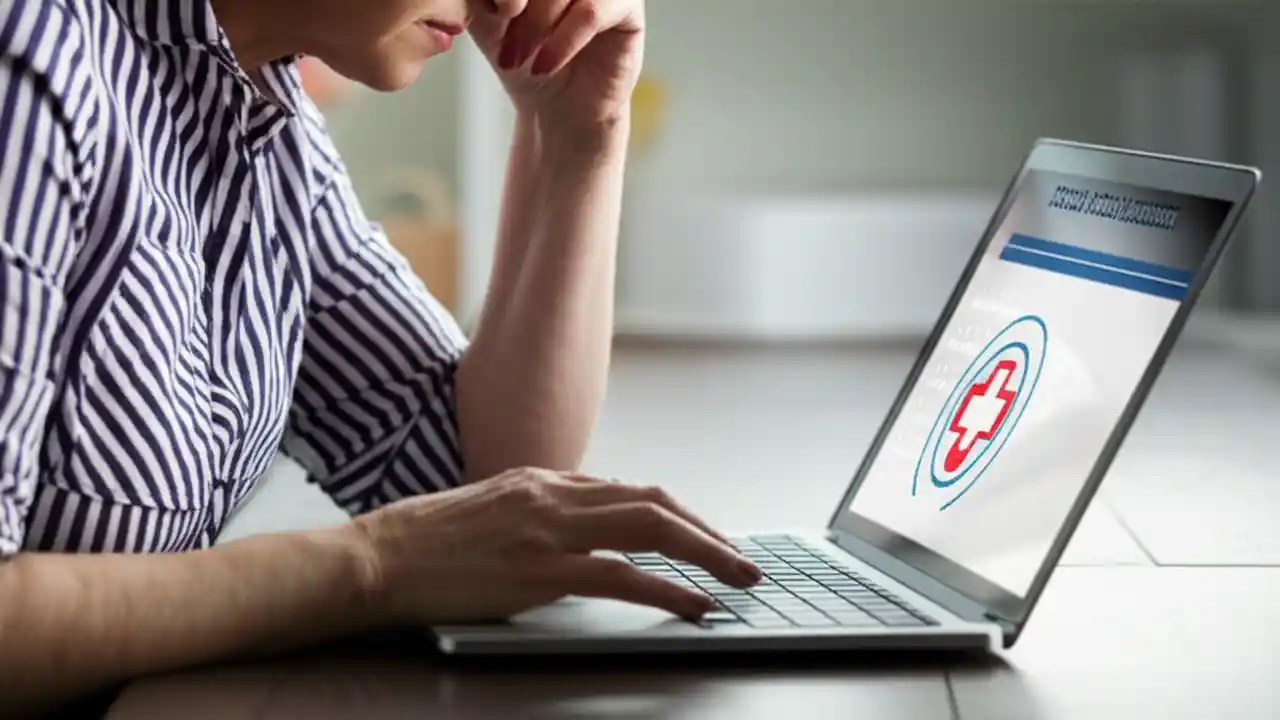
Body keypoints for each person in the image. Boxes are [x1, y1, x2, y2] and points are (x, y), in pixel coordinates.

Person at [0, 0, 761, 713]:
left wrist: (579, 134)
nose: (506, 2)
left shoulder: (263, 116)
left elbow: (477, 494)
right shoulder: (29, 61)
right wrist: (371, 565)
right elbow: (431, 541)